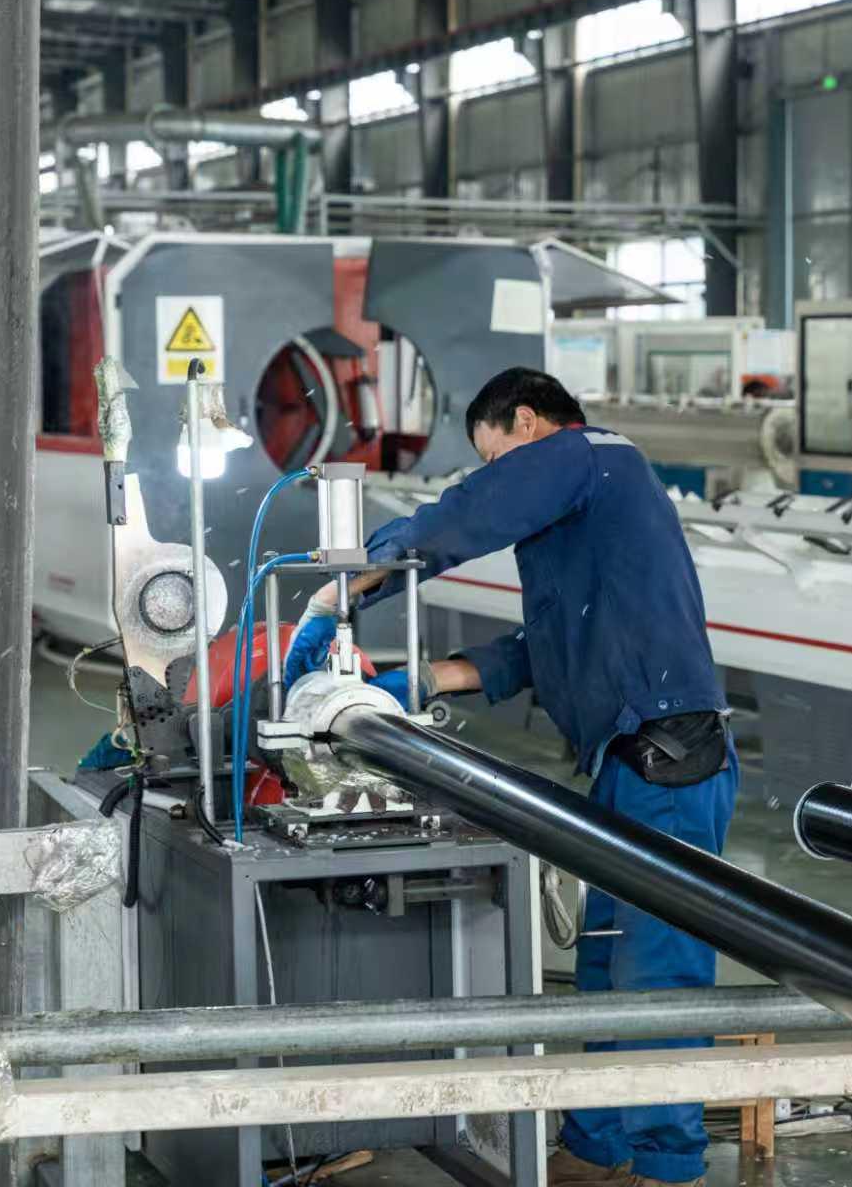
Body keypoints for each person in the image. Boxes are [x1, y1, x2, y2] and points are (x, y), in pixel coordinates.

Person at [294, 367, 736, 1187]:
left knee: (658, 971)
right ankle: (600, 1148)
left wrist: (363, 572)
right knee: (605, 962)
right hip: (628, 760)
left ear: (528, 423)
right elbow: (542, 648)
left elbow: (467, 515)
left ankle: (669, 1166)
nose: (496, 474)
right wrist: (423, 679)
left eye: (495, 456)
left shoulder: (591, 455)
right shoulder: (587, 517)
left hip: (671, 762)